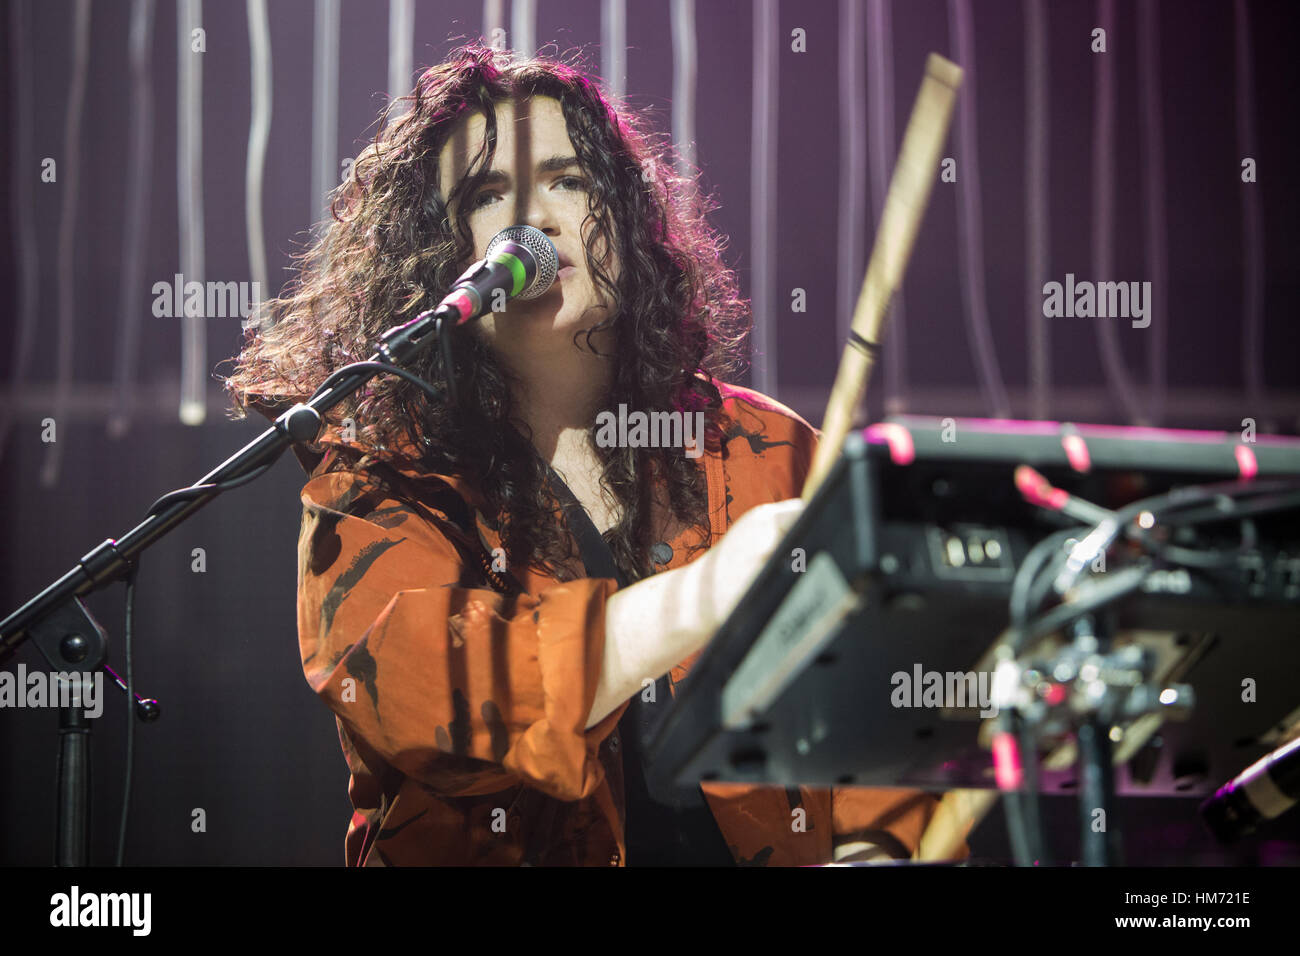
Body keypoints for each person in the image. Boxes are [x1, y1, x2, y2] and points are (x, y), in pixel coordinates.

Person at [223, 42, 959, 866]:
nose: (532, 219)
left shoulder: (766, 450)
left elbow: (873, 717)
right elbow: (439, 701)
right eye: (488, 195)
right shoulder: (382, 480)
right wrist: (703, 594)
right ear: (439, 253)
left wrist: (873, 849)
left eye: (568, 181)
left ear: (630, 221)